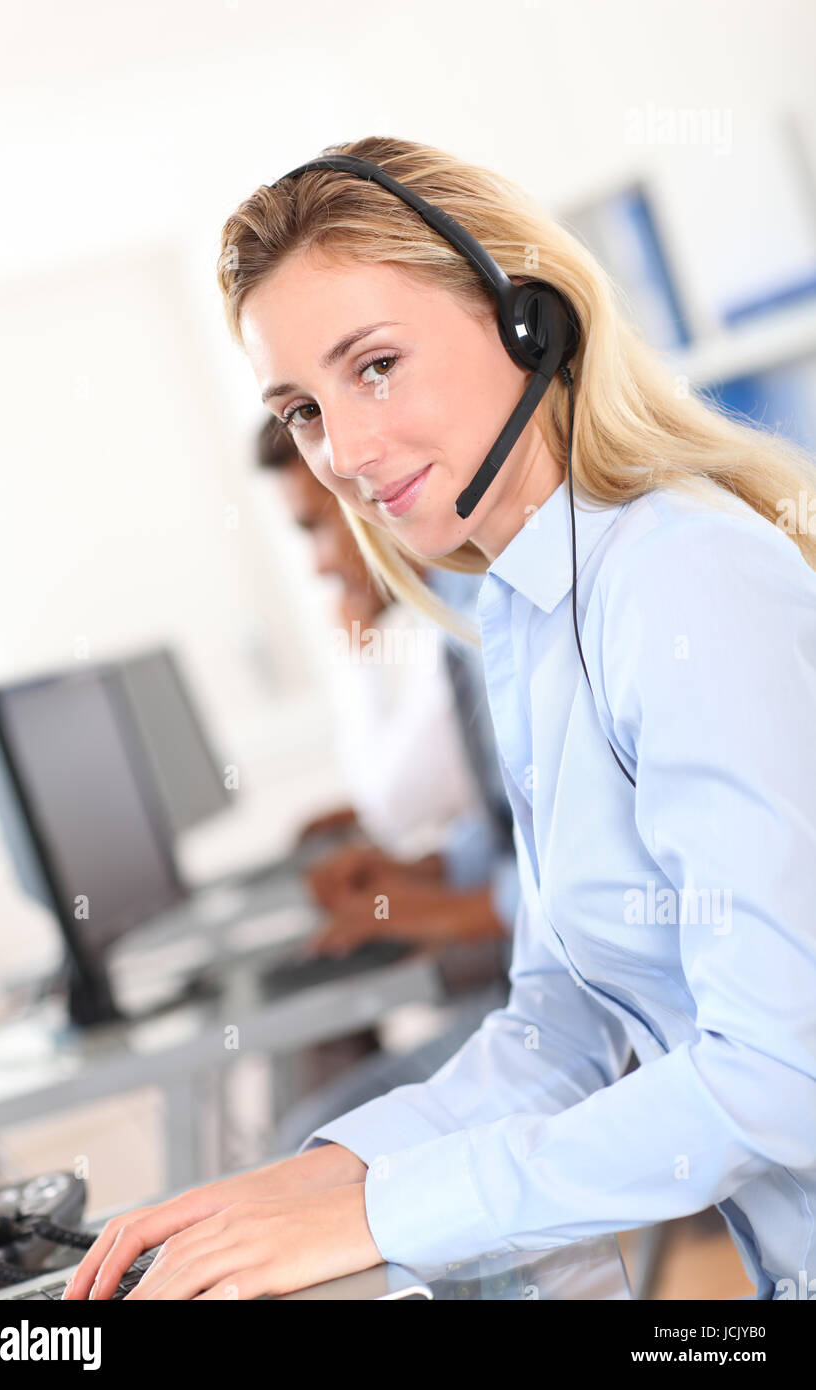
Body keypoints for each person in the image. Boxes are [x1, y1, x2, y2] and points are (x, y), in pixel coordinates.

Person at [64, 135, 816, 1302]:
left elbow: (779, 1071)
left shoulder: (683, 579)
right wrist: (325, 1176)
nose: (346, 454)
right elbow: (562, 1024)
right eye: (304, 408)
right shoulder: (523, 607)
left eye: (374, 365)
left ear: (529, 320)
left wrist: (382, 1212)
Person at [254, 414, 518, 1152]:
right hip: (536, 978)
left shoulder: (487, 604)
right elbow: (508, 823)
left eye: (314, 527)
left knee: (312, 1138)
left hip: (572, 999)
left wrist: (354, 649)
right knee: (321, 1093)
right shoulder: (458, 612)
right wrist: (427, 873)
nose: (317, 565)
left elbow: (390, 803)